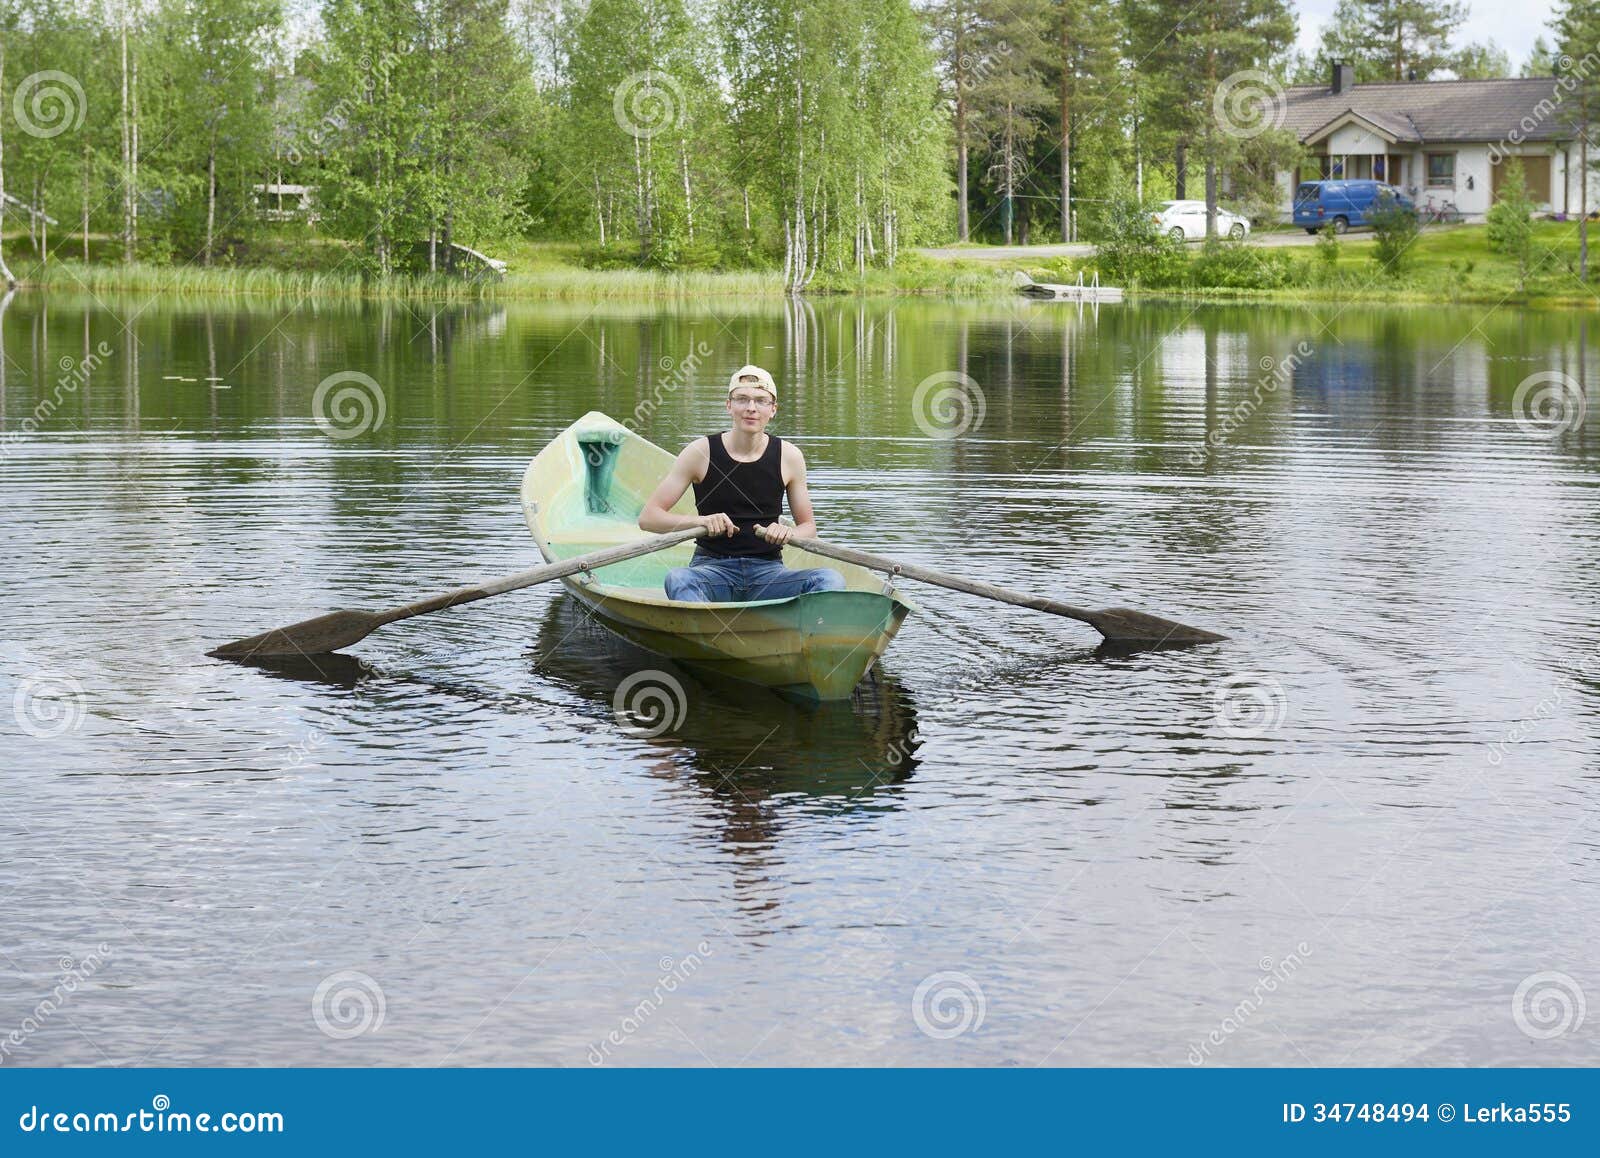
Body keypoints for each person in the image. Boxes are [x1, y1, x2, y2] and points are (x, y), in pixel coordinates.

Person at [638, 364, 847, 603]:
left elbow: (808, 528)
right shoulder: (700, 452)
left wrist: (788, 532)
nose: (751, 408)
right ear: (729, 406)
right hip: (712, 570)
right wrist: (702, 521)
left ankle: (801, 633)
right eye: (742, 399)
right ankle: (708, 633)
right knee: (679, 579)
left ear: (773, 409)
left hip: (768, 573)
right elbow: (649, 518)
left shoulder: (789, 456)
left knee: (830, 580)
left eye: (760, 401)